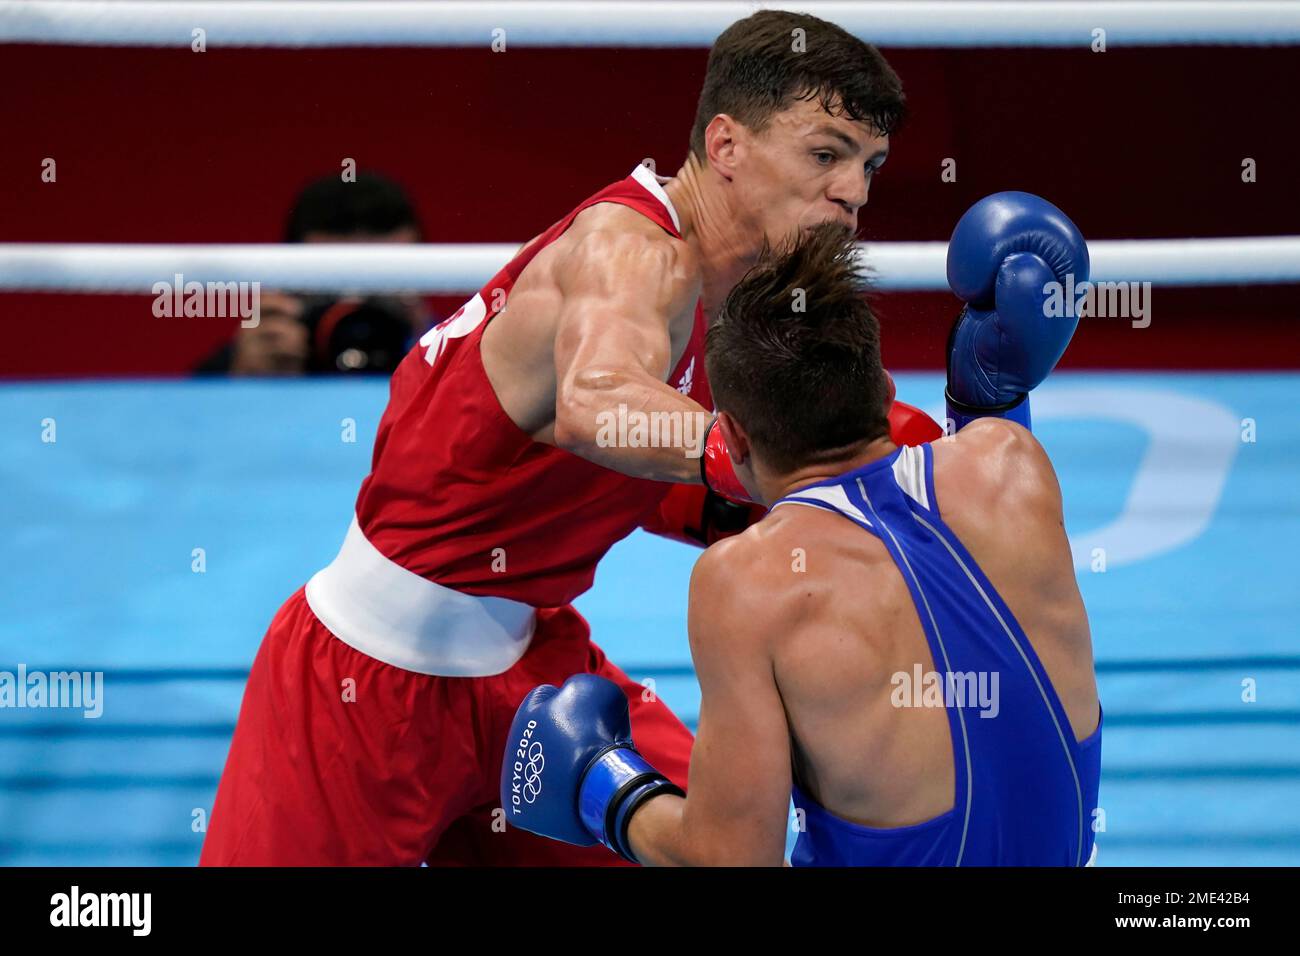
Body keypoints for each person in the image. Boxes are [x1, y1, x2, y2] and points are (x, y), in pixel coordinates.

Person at [201, 9, 943, 866]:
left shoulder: (757, 295)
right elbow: (599, 404)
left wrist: (967, 422)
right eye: (825, 154)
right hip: (366, 683)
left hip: (531, 668)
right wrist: (758, 467)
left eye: (868, 165)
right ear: (727, 145)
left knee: (723, 850)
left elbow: (600, 459)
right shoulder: (632, 253)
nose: (853, 191)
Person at [502, 195, 1103, 866]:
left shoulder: (747, 585)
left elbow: (731, 859)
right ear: (882, 389)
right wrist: (983, 398)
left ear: (730, 437)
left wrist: (602, 785)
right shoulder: (1013, 464)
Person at [195, 172, 426, 375]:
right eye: (334, 285)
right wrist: (245, 390)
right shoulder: (240, 368)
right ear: (289, 282)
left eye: (384, 283)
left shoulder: (453, 361)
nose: (356, 307)